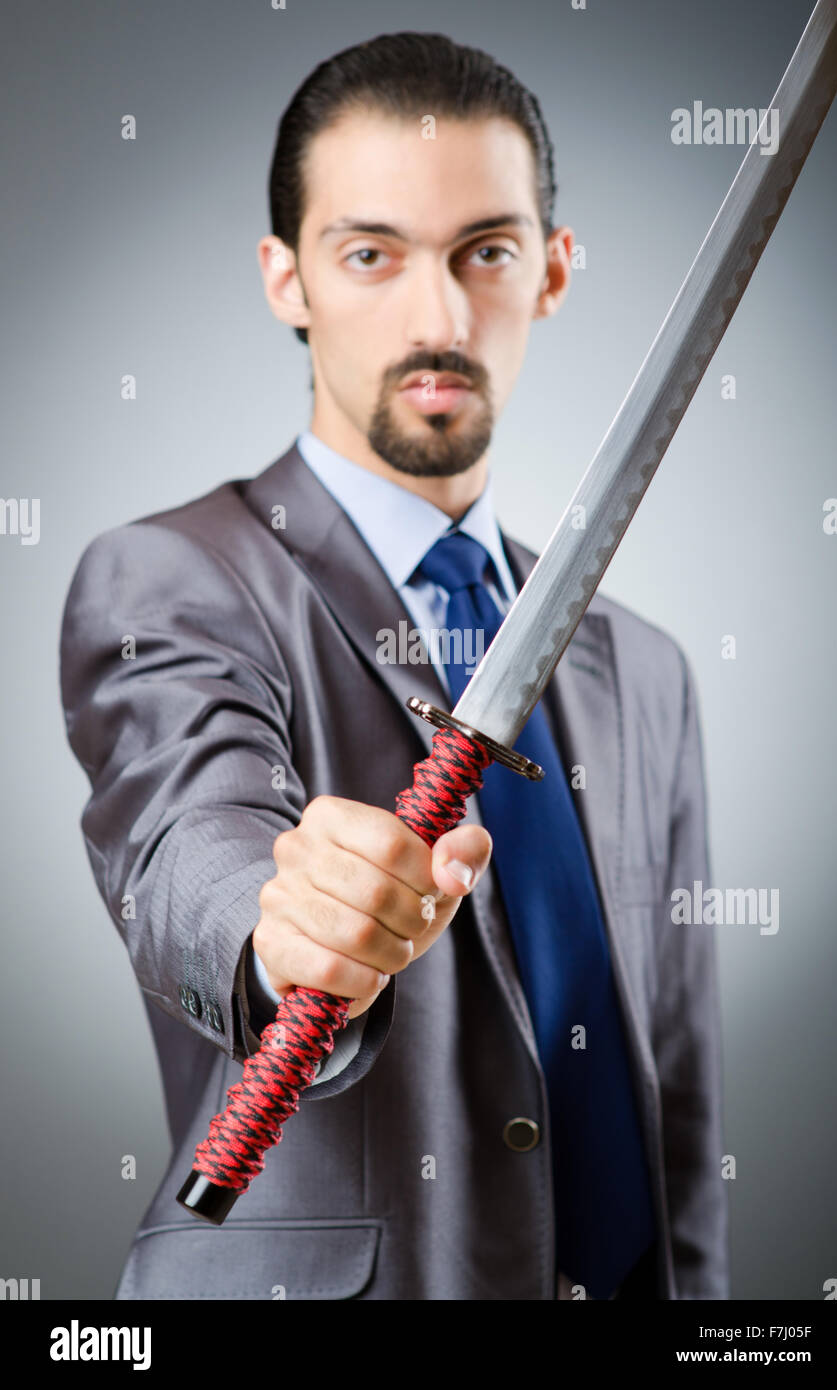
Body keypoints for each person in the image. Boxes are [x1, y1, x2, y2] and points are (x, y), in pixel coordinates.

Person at [60, 31, 729, 1301]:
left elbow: (678, 1088)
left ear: (553, 271)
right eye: (370, 255)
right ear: (286, 278)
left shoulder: (645, 668)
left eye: (487, 250)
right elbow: (184, 841)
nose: (437, 316)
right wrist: (277, 924)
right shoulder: (170, 578)